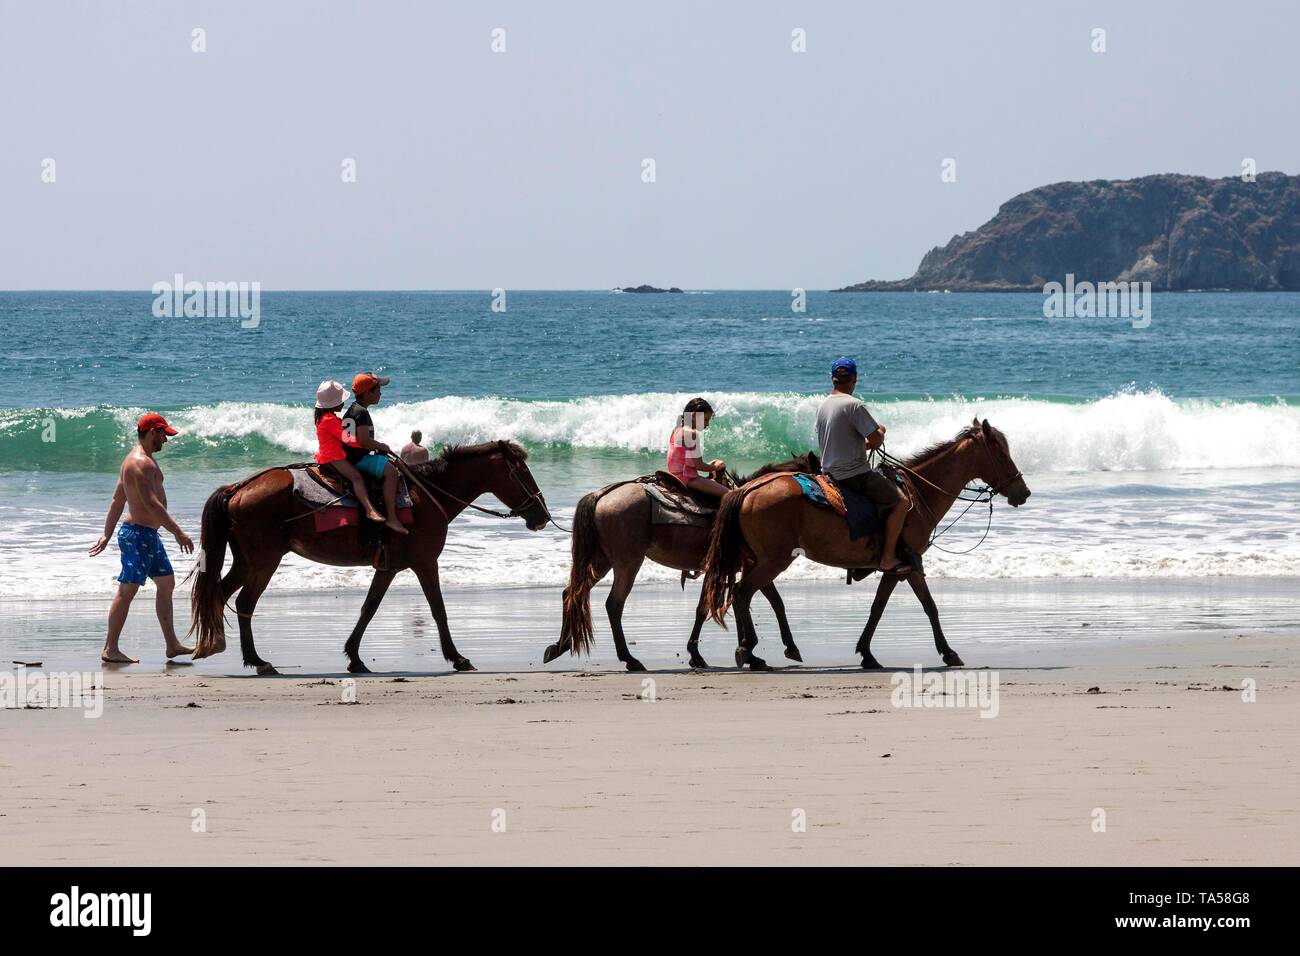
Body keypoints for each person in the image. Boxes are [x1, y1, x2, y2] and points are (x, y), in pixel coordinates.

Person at [87, 413, 196, 663]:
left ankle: (172, 645)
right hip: (138, 535)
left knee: (166, 583)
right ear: (151, 433)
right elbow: (152, 504)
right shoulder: (141, 464)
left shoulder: (133, 460)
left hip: (147, 535)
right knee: (127, 590)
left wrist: (106, 534)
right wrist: (178, 532)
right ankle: (110, 648)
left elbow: (117, 499)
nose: (165, 441)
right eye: (163, 435)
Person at [815, 357, 911, 574]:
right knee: (901, 503)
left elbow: (839, 442)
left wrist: (864, 443)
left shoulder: (823, 405)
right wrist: (881, 431)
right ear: (854, 379)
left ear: (833, 380)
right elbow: (876, 441)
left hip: (828, 473)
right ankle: (887, 558)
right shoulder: (854, 405)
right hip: (853, 475)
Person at [342, 372, 408, 534]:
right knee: (391, 472)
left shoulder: (352, 410)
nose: (380, 393)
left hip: (351, 456)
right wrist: (382, 446)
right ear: (368, 393)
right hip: (358, 458)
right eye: (378, 389)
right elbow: (364, 442)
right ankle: (392, 519)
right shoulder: (362, 413)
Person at [314, 380, 385, 524]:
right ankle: (369, 510)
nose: (343, 403)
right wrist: (367, 444)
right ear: (333, 404)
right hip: (334, 457)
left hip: (328, 454)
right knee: (357, 478)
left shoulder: (324, 418)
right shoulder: (330, 420)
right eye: (340, 401)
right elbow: (347, 439)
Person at [667, 397, 729, 498]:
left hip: (674, 476)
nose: (707, 424)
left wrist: (710, 465)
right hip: (687, 479)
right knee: (730, 495)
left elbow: (686, 463)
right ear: (694, 415)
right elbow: (700, 466)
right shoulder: (691, 434)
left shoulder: (677, 429)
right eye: (705, 419)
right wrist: (716, 467)